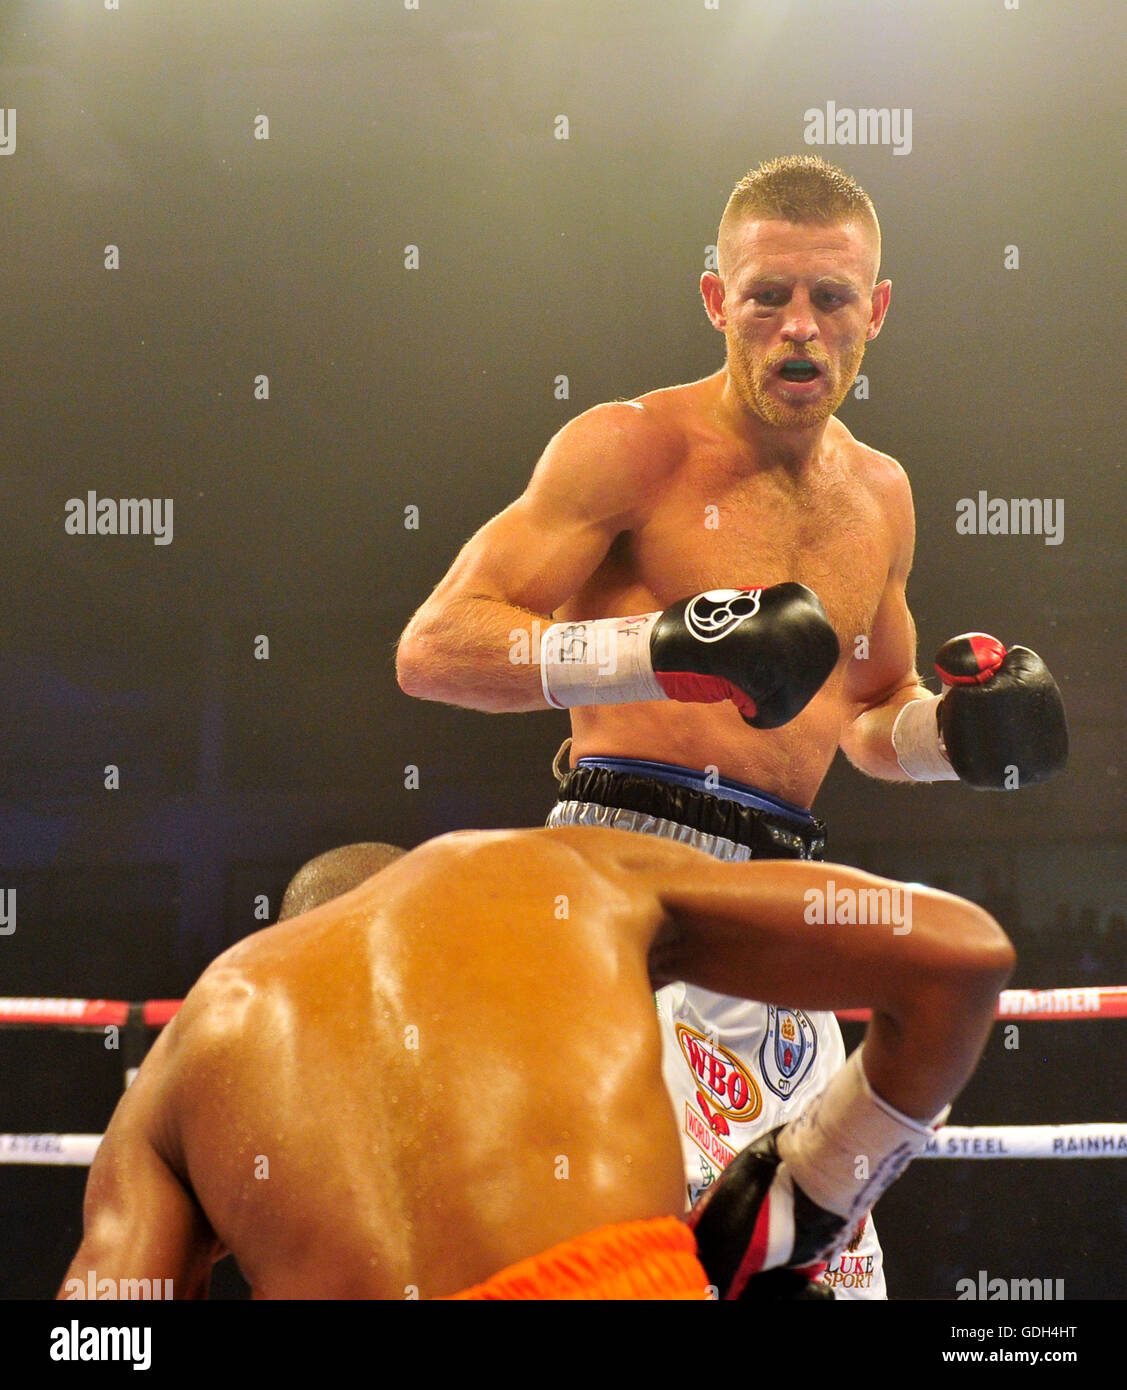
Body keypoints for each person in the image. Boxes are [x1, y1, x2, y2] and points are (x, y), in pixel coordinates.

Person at [394, 154, 1067, 1297]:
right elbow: (435, 647)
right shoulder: (629, 446)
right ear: (716, 299)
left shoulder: (883, 496)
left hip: (786, 905)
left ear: (876, 312)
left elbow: (862, 714)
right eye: (766, 295)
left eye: (829, 297)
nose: (797, 328)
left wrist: (953, 738)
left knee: (828, 1279)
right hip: (621, 888)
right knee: (646, 1269)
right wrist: (659, 648)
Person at [59, 828, 1013, 1300]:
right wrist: (810, 1183)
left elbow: (103, 1344)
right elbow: (958, 954)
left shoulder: (194, 1046)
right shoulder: (553, 875)